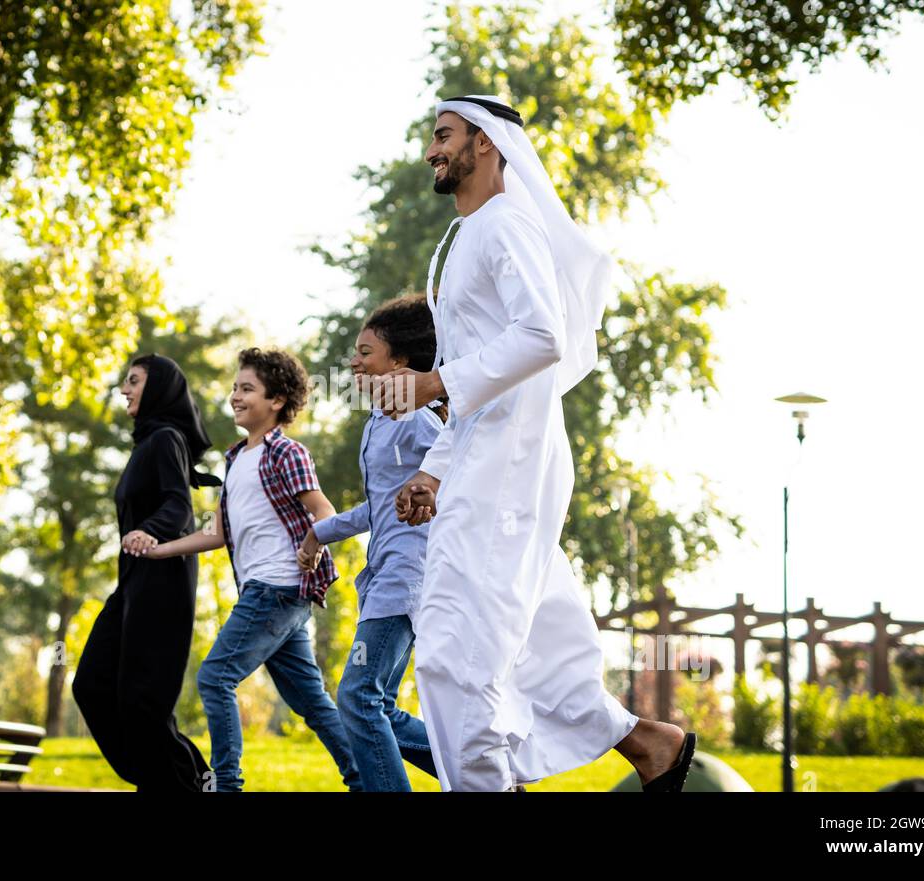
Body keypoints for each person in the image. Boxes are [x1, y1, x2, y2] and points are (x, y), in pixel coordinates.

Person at [375, 95, 696, 792]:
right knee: (541, 651)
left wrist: (433, 384)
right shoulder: (472, 235)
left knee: (455, 655)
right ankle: (648, 744)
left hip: (509, 470)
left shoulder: (503, 224)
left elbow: (542, 335)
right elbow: (485, 364)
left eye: (443, 135)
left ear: (485, 143)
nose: (431, 150)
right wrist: (433, 466)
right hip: (486, 465)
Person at [146, 347, 361, 792]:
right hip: (264, 594)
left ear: (277, 400)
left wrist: (315, 543)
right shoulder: (234, 459)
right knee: (313, 704)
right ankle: (366, 780)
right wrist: (159, 549)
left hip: (278, 588)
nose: (235, 396)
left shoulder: (286, 453)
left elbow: (323, 509)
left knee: (214, 677)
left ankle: (227, 785)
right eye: (234, 388)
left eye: (247, 389)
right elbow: (216, 534)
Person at [297, 295, 443, 791]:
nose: (353, 362)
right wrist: (320, 531)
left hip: (407, 576)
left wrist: (430, 493)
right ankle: (484, 777)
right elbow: (378, 508)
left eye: (365, 352)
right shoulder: (380, 422)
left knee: (358, 697)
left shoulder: (420, 422)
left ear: (399, 362)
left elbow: (458, 480)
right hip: (381, 574)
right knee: (376, 705)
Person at [71, 353, 218, 792]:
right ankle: (168, 781)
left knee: (144, 704)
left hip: (163, 580)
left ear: (158, 389)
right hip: (134, 582)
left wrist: (146, 531)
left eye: (133, 380)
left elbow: (178, 504)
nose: (124, 389)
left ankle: (189, 784)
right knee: (92, 685)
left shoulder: (166, 438)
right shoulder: (148, 443)